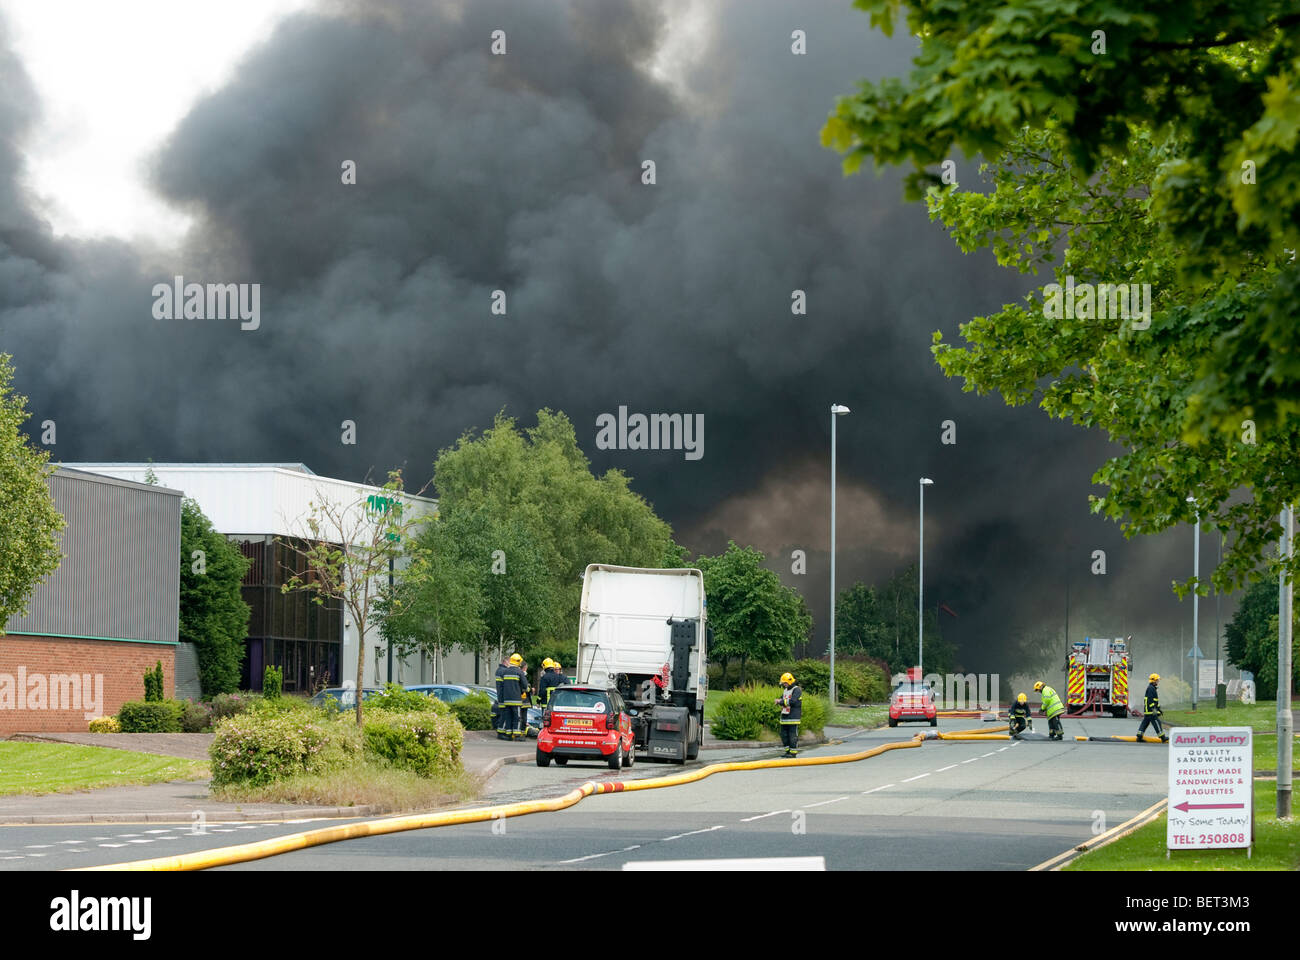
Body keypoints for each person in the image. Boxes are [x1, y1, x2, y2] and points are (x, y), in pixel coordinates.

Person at [499, 653, 529, 740]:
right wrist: (527, 690)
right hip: (516, 700)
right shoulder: (519, 672)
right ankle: (517, 735)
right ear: (519, 662)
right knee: (517, 717)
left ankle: (508, 734)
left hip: (506, 699)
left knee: (508, 716)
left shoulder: (505, 671)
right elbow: (525, 686)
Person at [775, 672, 802, 758]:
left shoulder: (797, 690)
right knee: (784, 735)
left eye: (785, 683)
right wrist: (778, 701)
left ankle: (793, 753)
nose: (784, 685)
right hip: (785, 717)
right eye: (783, 683)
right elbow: (782, 699)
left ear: (790, 681)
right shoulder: (785, 690)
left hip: (793, 717)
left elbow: (793, 702)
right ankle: (787, 752)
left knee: (792, 735)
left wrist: (781, 702)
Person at [1136, 673, 1169, 743]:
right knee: (1157, 722)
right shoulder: (1151, 689)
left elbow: (1155, 701)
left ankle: (1139, 736)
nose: (1158, 681)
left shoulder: (1151, 688)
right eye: (1157, 680)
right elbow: (1151, 701)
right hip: (1151, 710)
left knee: (1145, 723)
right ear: (1153, 681)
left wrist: (1159, 709)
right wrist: (1155, 711)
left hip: (1148, 710)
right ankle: (1163, 737)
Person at [493, 655, 510, 740]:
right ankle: (500, 733)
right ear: (505, 661)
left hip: (501, 696)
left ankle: (501, 731)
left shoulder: (499, 670)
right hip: (504, 697)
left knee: (503, 714)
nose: (509, 664)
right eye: (509, 662)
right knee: (504, 715)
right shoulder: (504, 671)